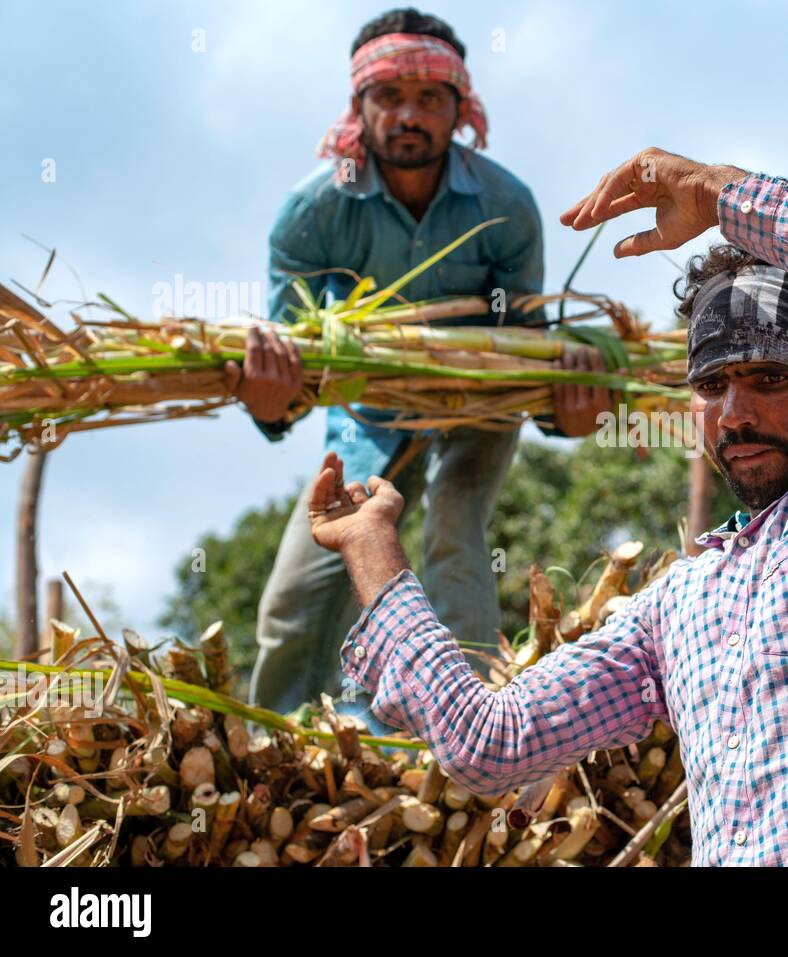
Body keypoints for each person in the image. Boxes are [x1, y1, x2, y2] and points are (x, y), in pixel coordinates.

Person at [306, 146, 788, 865]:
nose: (733, 413)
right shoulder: (675, 607)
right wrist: (371, 545)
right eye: (711, 386)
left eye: (768, 377)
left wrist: (712, 194)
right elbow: (491, 741)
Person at [227, 9, 612, 729]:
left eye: (431, 98)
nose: (409, 114)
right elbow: (287, 371)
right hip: (370, 411)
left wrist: (569, 411)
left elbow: (527, 347)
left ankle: (468, 730)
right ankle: (278, 748)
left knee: (454, 535)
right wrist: (267, 399)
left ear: (461, 110)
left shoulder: (506, 207)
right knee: (295, 592)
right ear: (359, 108)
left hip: (480, 403)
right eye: (389, 97)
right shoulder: (312, 212)